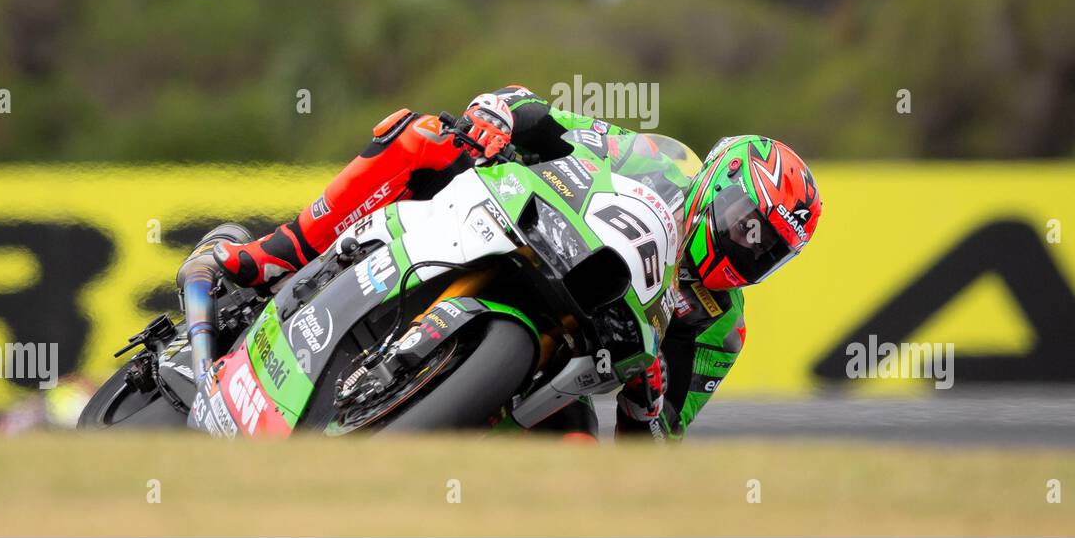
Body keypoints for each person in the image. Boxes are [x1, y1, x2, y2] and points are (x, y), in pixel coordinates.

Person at [213, 86, 821, 439]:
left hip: (556, 374)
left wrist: (648, 398)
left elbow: (653, 446)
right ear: (720, 184)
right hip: (523, 231)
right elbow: (547, 120)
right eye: (748, 225)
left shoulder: (721, 328)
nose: (749, 249)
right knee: (424, 134)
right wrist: (499, 114)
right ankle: (275, 254)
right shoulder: (656, 163)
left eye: (768, 250)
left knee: (579, 466)